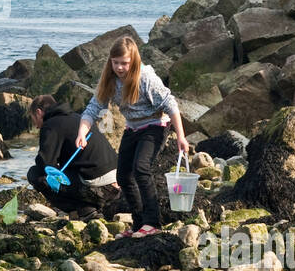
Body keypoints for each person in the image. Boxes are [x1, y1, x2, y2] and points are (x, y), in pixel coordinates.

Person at [77, 36, 189, 238]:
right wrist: (81, 133)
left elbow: (171, 104)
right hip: (132, 127)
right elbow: (92, 109)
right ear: (110, 61)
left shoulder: (145, 78)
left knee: (141, 168)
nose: (120, 67)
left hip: (155, 124)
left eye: (124, 63)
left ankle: (152, 223)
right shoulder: (109, 80)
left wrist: (181, 136)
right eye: (116, 62)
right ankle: (138, 224)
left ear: (134, 61)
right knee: (123, 176)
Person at [27, 94, 121, 219]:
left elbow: (45, 164)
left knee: (35, 174)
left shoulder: (50, 125)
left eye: (33, 118)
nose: (35, 125)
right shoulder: (79, 118)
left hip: (100, 189)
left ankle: (85, 209)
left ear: (38, 112)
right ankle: (87, 206)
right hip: (117, 184)